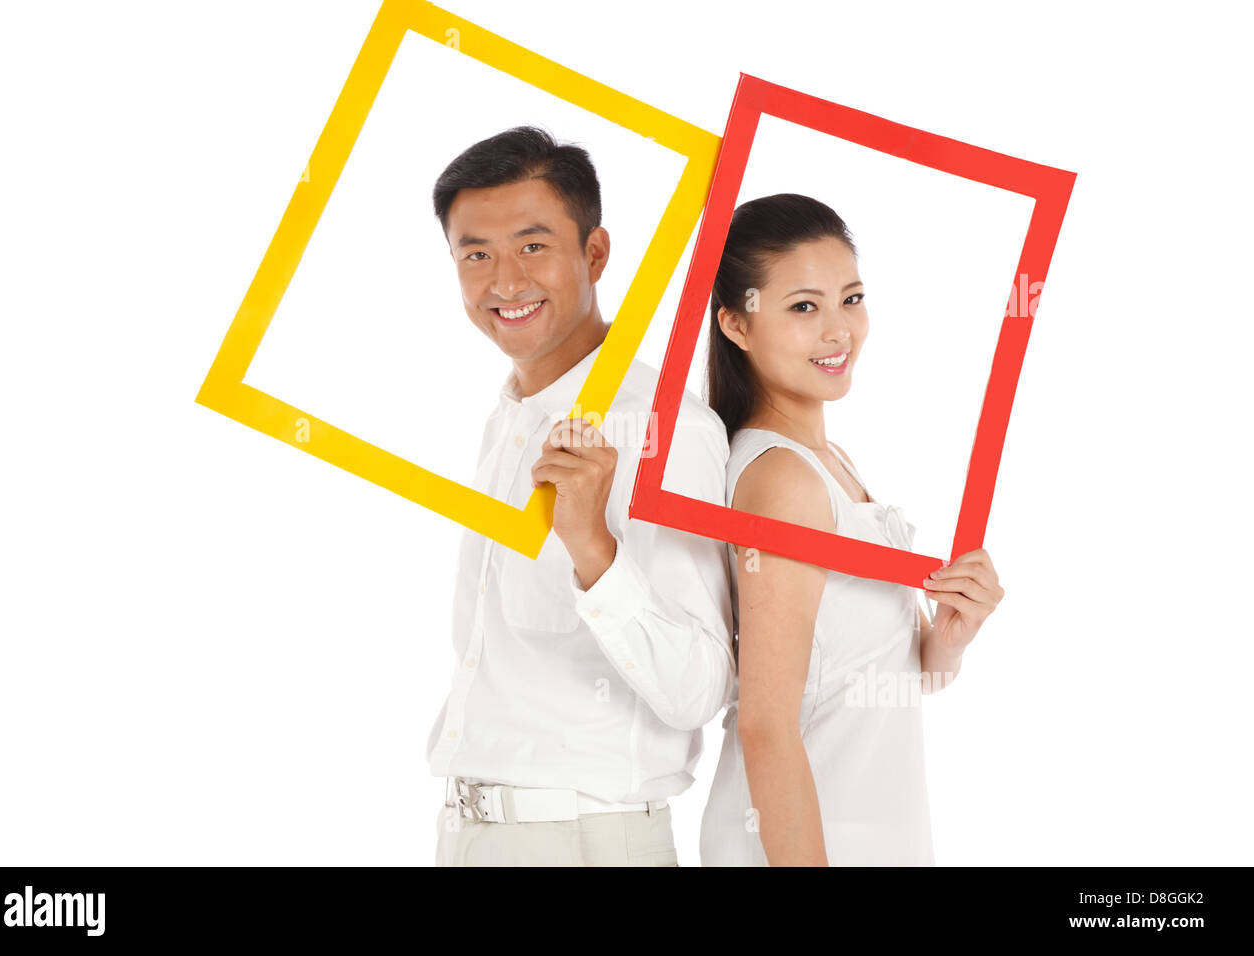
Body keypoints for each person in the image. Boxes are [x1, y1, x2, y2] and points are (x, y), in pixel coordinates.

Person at [425, 126, 735, 866]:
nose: (504, 282)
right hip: (472, 833)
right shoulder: (508, 418)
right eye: (476, 254)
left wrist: (593, 547)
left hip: (586, 839)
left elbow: (700, 688)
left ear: (594, 253)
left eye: (533, 246)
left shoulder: (665, 430)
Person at [698, 194, 1005, 866]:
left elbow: (862, 679)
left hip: (866, 830)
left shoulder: (831, 467)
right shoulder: (783, 483)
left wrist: (947, 641)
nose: (839, 330)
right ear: (736, 324)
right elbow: (767, 726)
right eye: (804, 307)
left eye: (851, 297)